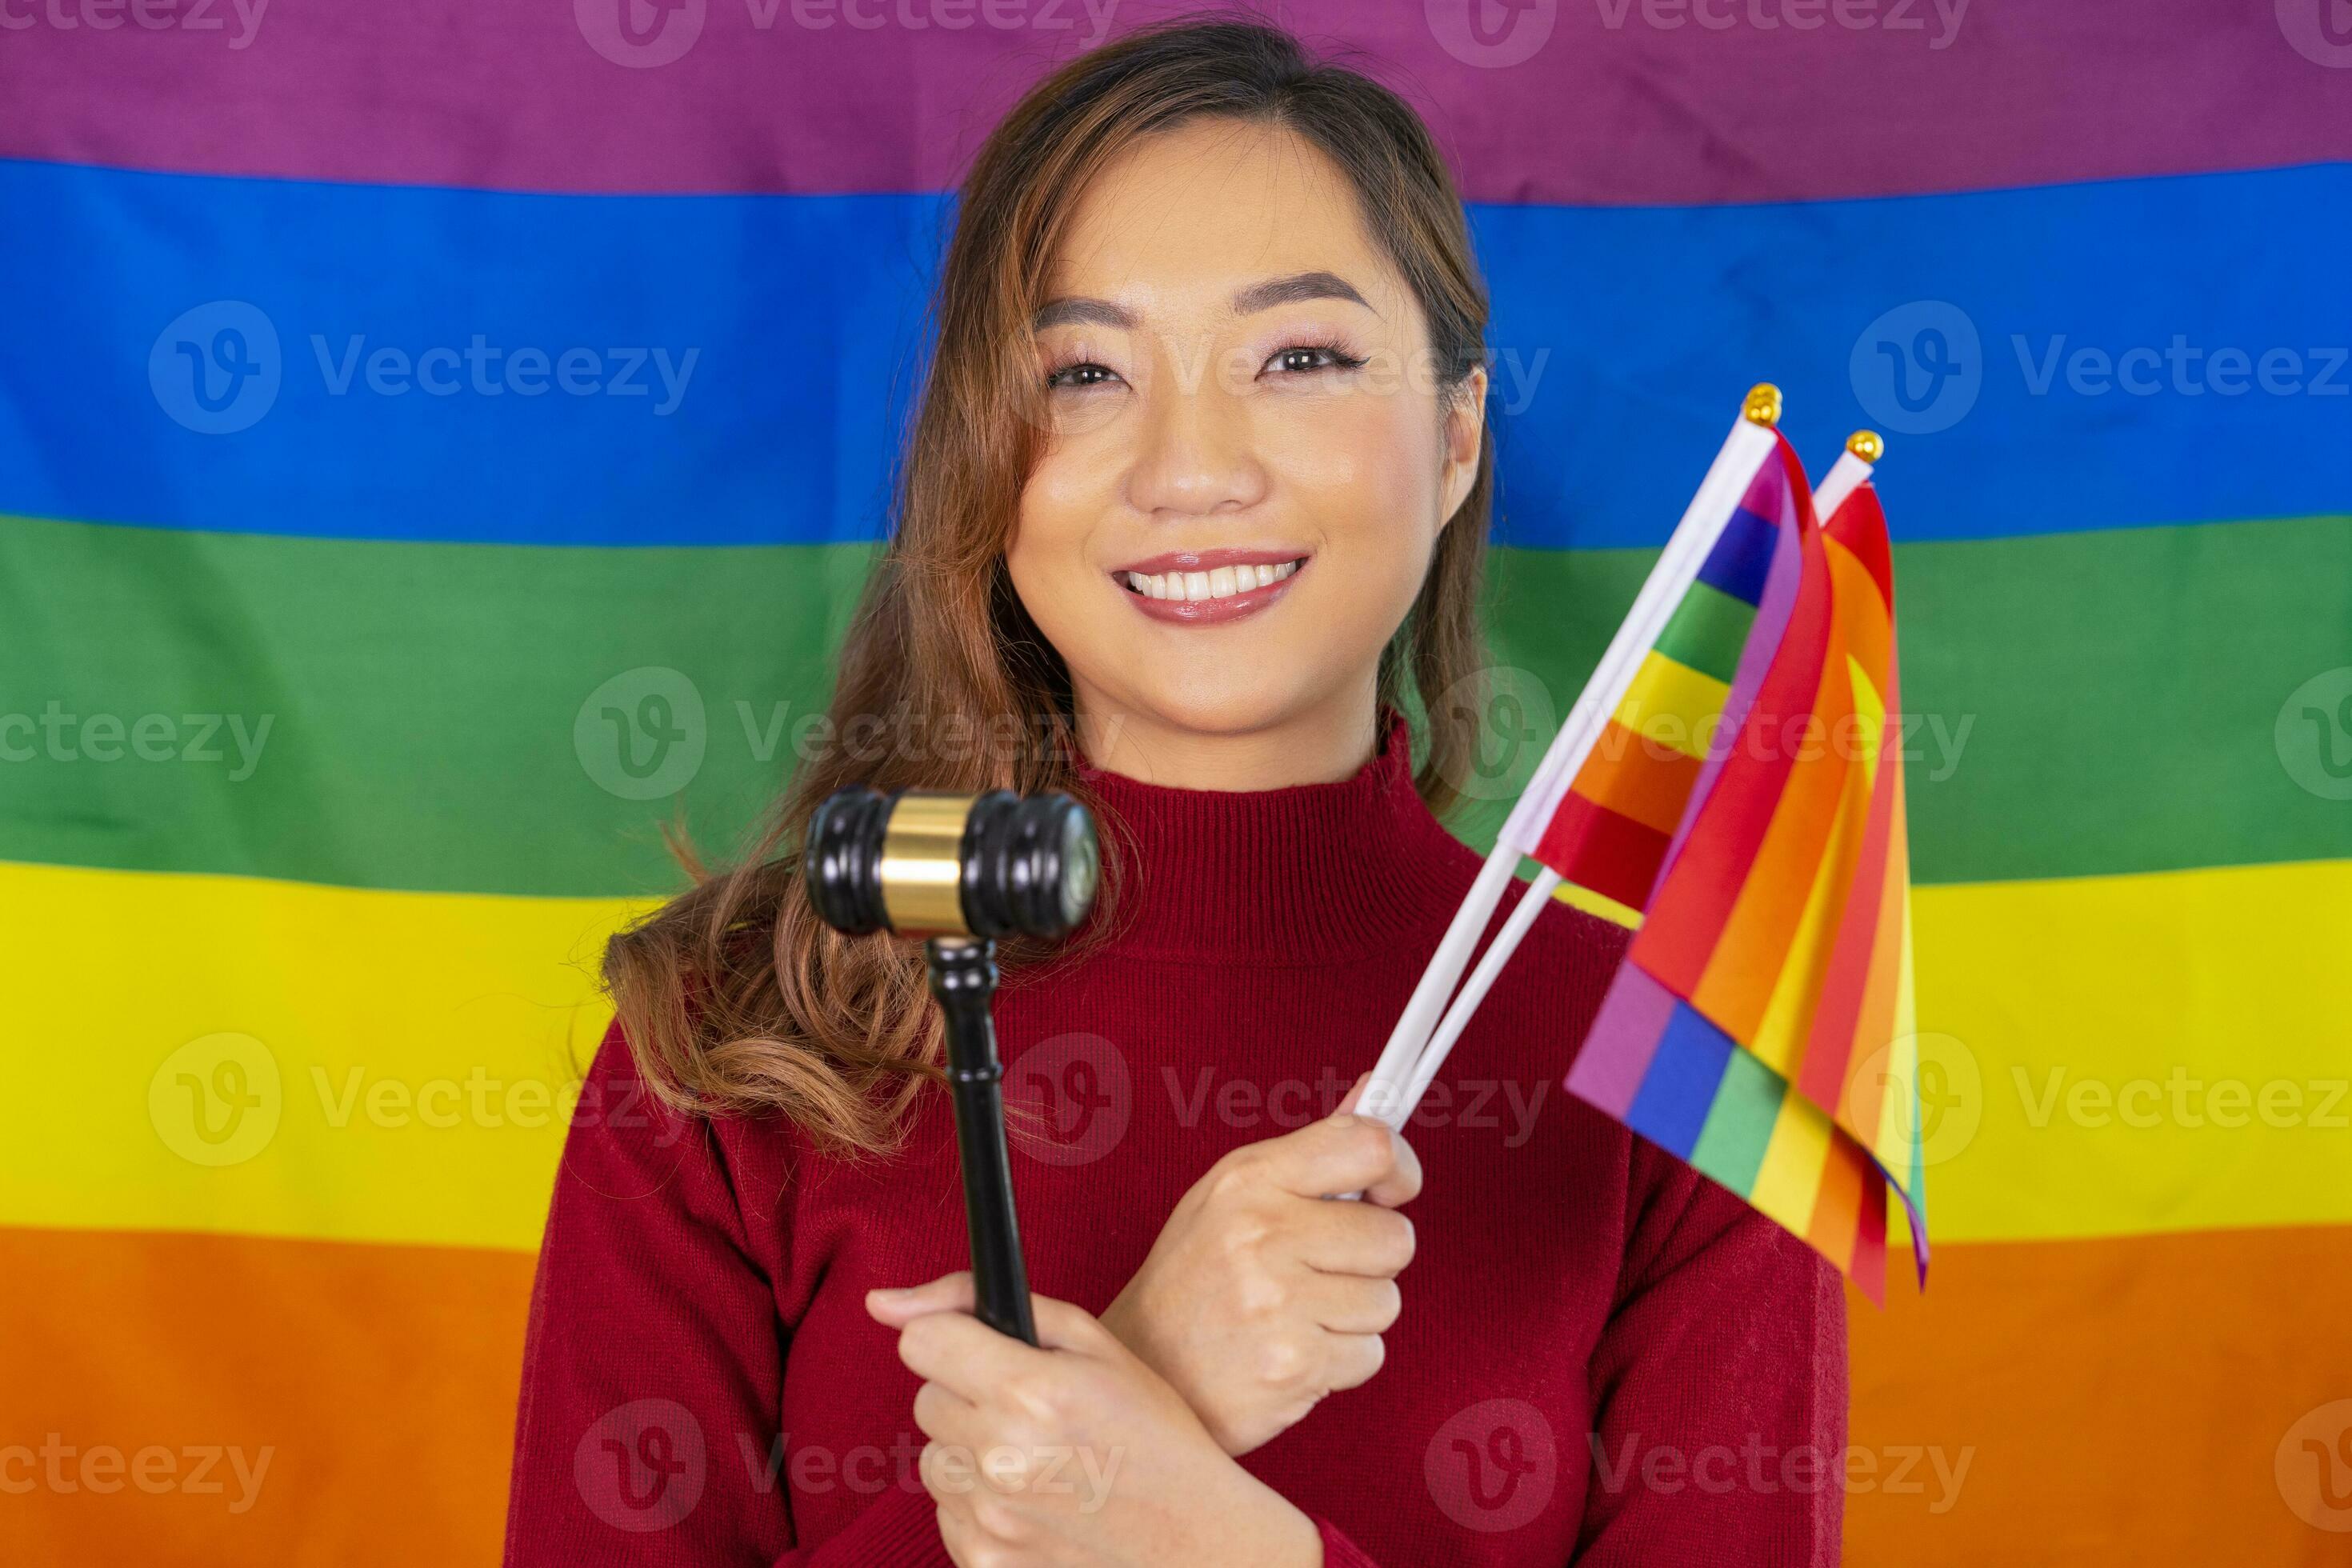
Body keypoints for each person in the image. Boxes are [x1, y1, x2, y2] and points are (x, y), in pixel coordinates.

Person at [502, 16, 1844, 1566]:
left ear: (1459, 432)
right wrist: (1151, 1376)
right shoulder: (740, 1031)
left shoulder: (1679, 1067)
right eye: (1082, 371)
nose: (1189, 467)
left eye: (1301, 357)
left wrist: (1221, 1539)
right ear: (983, 461)